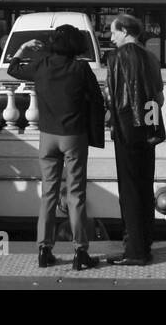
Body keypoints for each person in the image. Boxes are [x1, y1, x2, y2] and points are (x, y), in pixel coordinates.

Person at [7, 24, 104, 270]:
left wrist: (23, 48)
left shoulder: (42, 64)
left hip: (47, 136)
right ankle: (80, 252)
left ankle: (44, 249)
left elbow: (13, 69)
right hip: (73, 136)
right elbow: (97, 99)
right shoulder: (81, 68)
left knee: (48, 194)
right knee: (76, 195)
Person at [106, 14, 165, 265]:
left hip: (127, 128)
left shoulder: (116, 58)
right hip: (149, 130)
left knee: (128, 190)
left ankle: (134, 251)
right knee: (144, 186)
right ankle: (145, 243)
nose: (111, 37)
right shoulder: (151, 57)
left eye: (113, 32)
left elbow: (112, 97)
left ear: (124, 30)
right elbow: (159, 97)